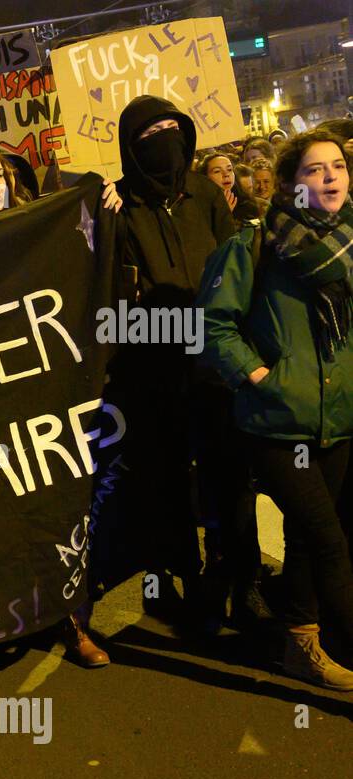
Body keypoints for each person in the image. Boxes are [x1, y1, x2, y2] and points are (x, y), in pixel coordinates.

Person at [198, 128, 353, 689]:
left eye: (337, 166)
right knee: (327, 537)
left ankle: (302, 643)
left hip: (338, 417)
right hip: (277, 424)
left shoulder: (350, 243)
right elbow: (212, 324)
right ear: (290, 183)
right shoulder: (253, 245)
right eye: (316, 169)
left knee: (308, 537)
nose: (331, 176)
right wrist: (261, 375)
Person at [107, 95, 248, 639]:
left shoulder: (206, 195)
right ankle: (180, 578)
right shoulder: (120, 205)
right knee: (167, 479)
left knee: (226, 477)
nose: (165, 139)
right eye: (151, 134)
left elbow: (235, 263)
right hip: (157, 368)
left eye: (172, 128)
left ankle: (237, 578)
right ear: (131, 148)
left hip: (214, 364)